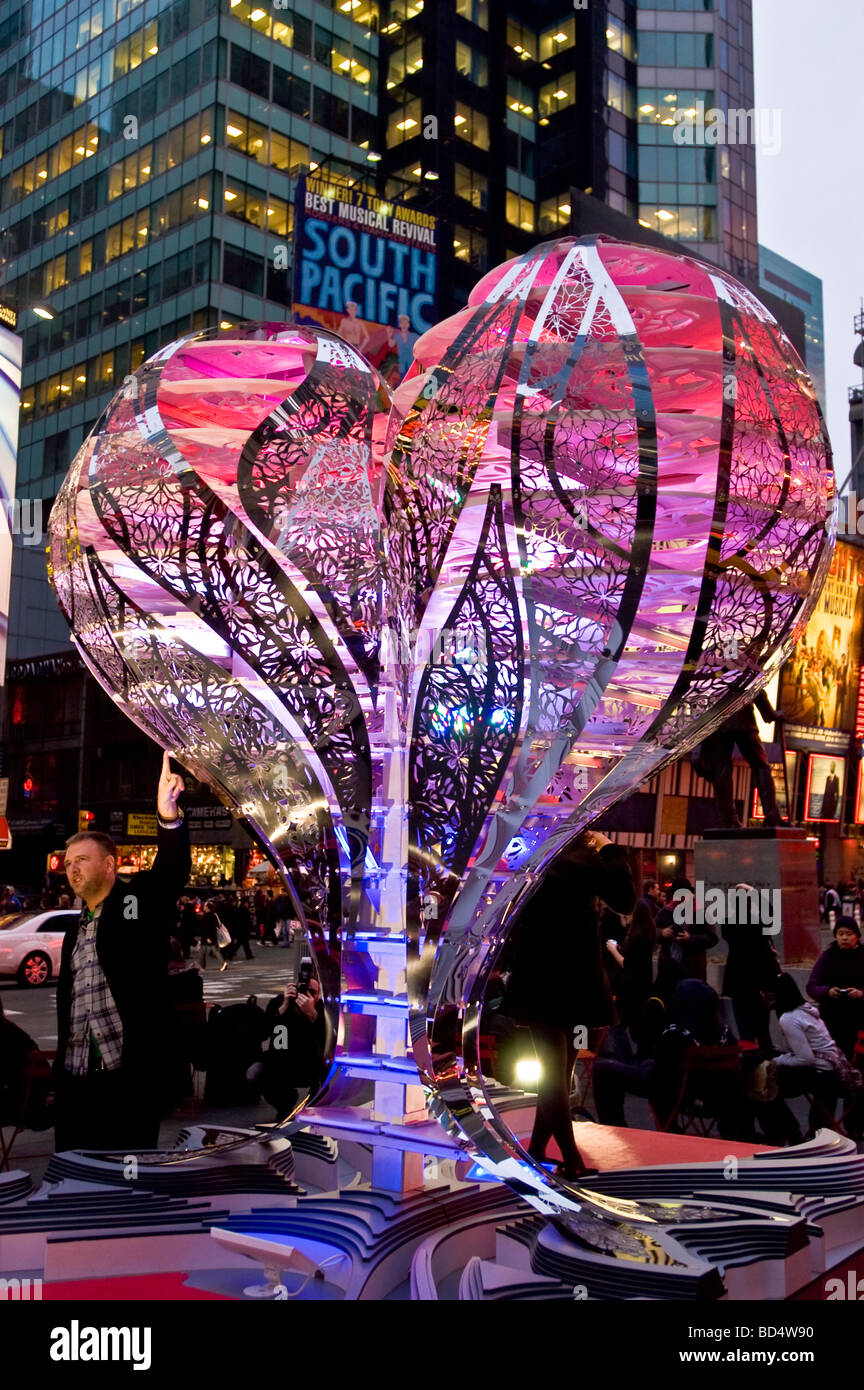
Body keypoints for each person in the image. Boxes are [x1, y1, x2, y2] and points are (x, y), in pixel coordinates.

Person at [53, 753, 191, 1151]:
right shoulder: (74, 928)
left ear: (111, 865)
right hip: (77, 1081)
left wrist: (168, 816)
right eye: (68, 864)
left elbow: (171, 872)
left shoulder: (136, 904)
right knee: (77, 1182)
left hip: (127, 1079)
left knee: (128, 1182)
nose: (73, 869)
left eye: (82, 860)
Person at [501, 828, 635, 1180]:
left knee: (554, 1073)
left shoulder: (534, 858)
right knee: (557, 1074)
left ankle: (537, 1151)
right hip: (574, 979)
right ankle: (570, 1157)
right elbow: (625, 898)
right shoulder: (583, 860)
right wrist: (610, 849)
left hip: (540, 977)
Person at [759, 974, 842, 1144]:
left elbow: (805, 1059)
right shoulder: (806, 1010)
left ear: (773, 994)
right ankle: (789, 1131)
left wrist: (779, 1060)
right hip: (832, 1069)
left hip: (821, 1075)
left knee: (764, 1087)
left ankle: (786, 1133)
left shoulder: (789, 1018)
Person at [697, 691, 784, 829]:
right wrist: (770, 713)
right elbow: (755, 683)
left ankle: (728, 821)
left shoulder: (710, 668)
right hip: (742, 719)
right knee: (761, 765)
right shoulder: (743, 668)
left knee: (722, 772)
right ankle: (772, 817)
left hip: (716, 722)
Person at [255, 977, 327, 1122]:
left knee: (330, 1069)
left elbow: (330, 1039)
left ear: (318, 996)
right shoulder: (279, 1003)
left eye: (311, 992)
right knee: (255, 1072)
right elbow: (261, 1033)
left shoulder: (320, 1008)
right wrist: (283, 1007)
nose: (305, 995)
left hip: (310, 1064)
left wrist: (312, 1014)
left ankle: (313, 1109)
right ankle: (284, 1106)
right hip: (280, 1063)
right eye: (301, 990)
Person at [721, 885, 781, 1051]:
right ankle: (766, 1070)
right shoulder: (760, 925)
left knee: (745, 1033)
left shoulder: (728, 925)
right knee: (763, 1032)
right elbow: (770, 912)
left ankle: (748, 1069)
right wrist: (753, 891)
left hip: (738, 985)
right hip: (760, 985)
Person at [807, 917, 864, 1061]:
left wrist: (861, 993)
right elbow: (812, 986)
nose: (844, 937)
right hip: (831, 1018)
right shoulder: (827, 957)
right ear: (836, 936)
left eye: (849, 933)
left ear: (857, 935)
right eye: (840, 933)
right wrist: (827, 991)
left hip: (859, 1017)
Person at [655, 879, 718, 1001]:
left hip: (692, 968)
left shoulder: (701, 912)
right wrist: (662, 933)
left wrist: (690, 939)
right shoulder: (665, 911)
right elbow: (652, 930)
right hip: (668, 967)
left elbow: (712, 938)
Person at [605, 900, 657, 1032]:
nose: (625, 916)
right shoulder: (646, 933)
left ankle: (628, 1053)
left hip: (630, 988)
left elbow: (627, 964)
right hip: (641, 985)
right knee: (636, 1027)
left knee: (618, 1027)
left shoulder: (637, 937)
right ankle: (640, 1052)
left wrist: (613, 949)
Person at [198, 896, 229, 971]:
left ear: (208, 907)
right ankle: (202, 966)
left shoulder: (207, 916)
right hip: (211, 936)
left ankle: (223, 962)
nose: (204, 907)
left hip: (207, 936)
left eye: (205, 906)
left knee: (206, 951)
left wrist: (208, 937)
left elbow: (207, 927)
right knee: (208, 951)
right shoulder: (213, 915)